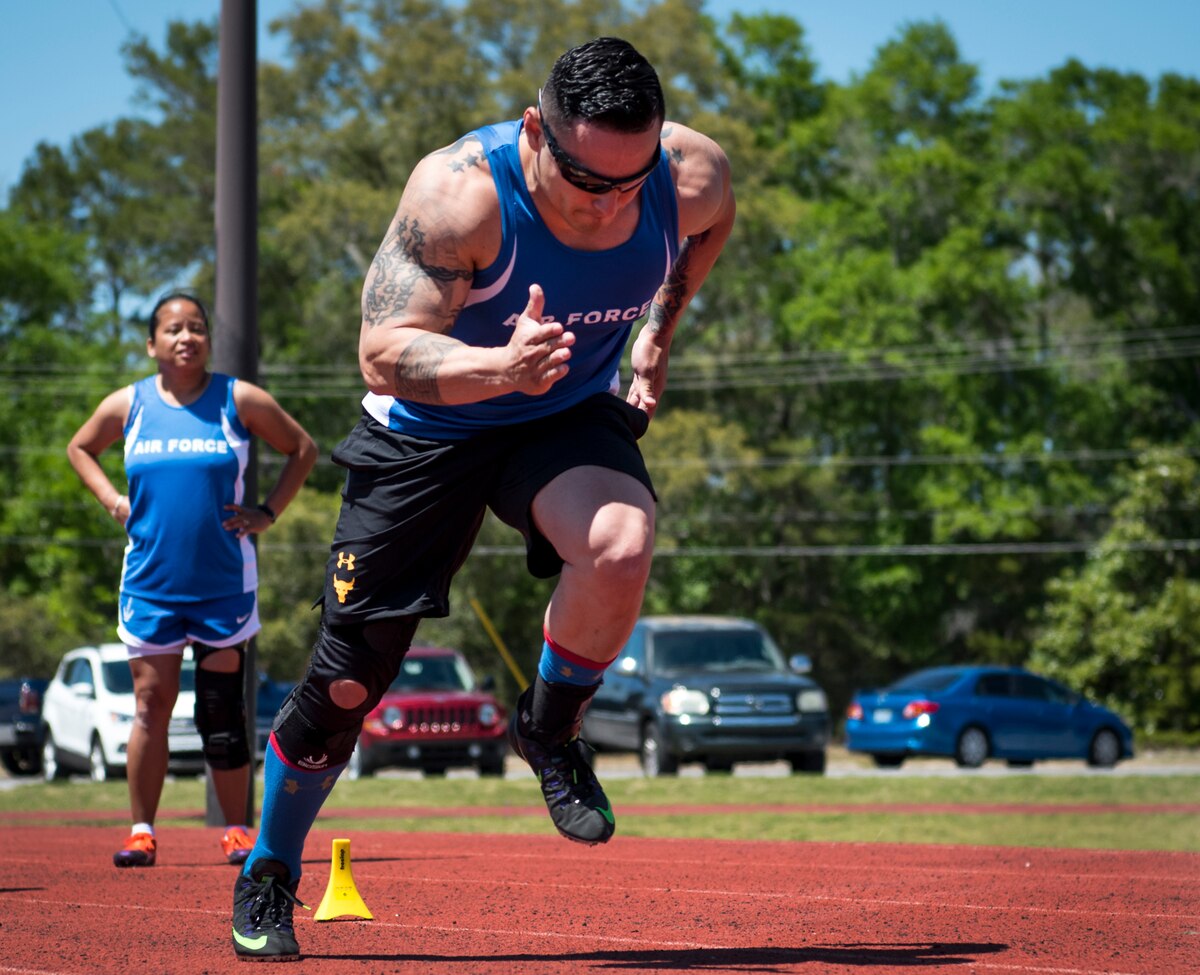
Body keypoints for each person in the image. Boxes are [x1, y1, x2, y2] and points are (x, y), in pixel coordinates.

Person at [231, 36, 734, 960]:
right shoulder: (459, 194)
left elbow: (709, 224)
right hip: (429, 427)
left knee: (621, 543)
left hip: (561, 411)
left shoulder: (685, 174)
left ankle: (548, 728)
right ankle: (269, 864)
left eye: (631, 181)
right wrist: (494, 365)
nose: (610, 203)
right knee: (349, 682)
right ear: (537, 133)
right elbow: (383, 351)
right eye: (587, 181)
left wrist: (659, 330)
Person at [67, 292, 318, 870]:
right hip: (151, 584)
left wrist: (268, 512)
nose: (186, 337)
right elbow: (80, 447)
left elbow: (302, 448)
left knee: (221, 709)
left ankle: (235, 830)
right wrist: (111, 500)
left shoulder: (238, 399)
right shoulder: (129, 405)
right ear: (152, 344)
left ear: (208, 340)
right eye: (173, 329)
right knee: (151, 704)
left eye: (197, 328)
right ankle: (141, 831)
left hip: (223, 585)